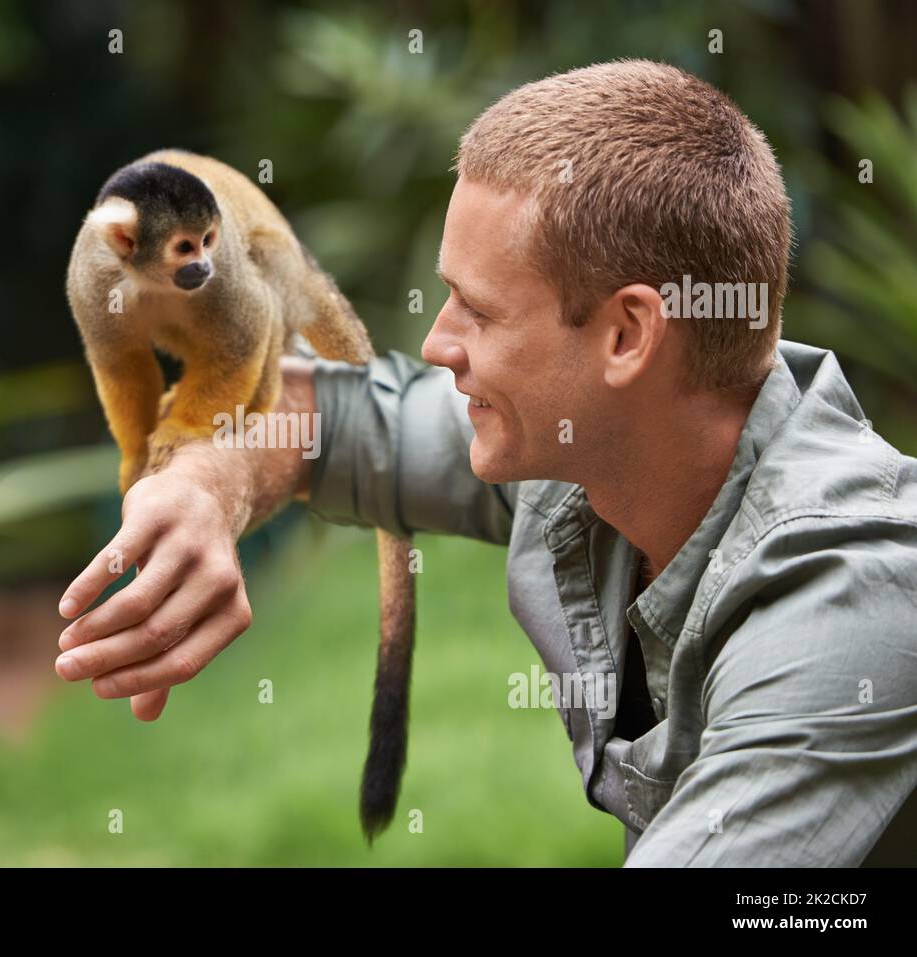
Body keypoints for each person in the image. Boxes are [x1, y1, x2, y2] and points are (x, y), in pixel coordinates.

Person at [53, 60, 917, 866]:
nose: (435, 343)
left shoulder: (844, 614)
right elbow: (331, 416)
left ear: (628, 334)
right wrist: (207, 485)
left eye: (476, 309)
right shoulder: (594, 445)